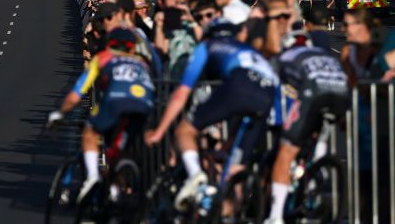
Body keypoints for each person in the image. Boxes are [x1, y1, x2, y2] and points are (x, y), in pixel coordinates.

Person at [144, 17, 278, 209]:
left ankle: (195, 176)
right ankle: (230, 213)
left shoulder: (207, 46)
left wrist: (159, 132)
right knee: (234, 169)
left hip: (240, 84)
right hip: (268, 91)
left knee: (184, 131)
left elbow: (182, 93)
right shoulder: (248, 50)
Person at [47, 28, 155, 201]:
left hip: (115, 103)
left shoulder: (103, 58)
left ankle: (92, 177)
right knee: (119, 151)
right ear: (132, 49)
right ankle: (116, 190)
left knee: (90, 133)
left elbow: (76, 94)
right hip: (145, 107)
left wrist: (59, 113)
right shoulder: (141, 62)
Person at [264, 29, 349, 224]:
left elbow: (270, 85)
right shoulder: (322, 54)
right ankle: (318, 165)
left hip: (314, 93)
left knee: (286, 151)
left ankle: (275, 217)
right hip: (341, 90)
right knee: (319, 133)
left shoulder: (285, 55)